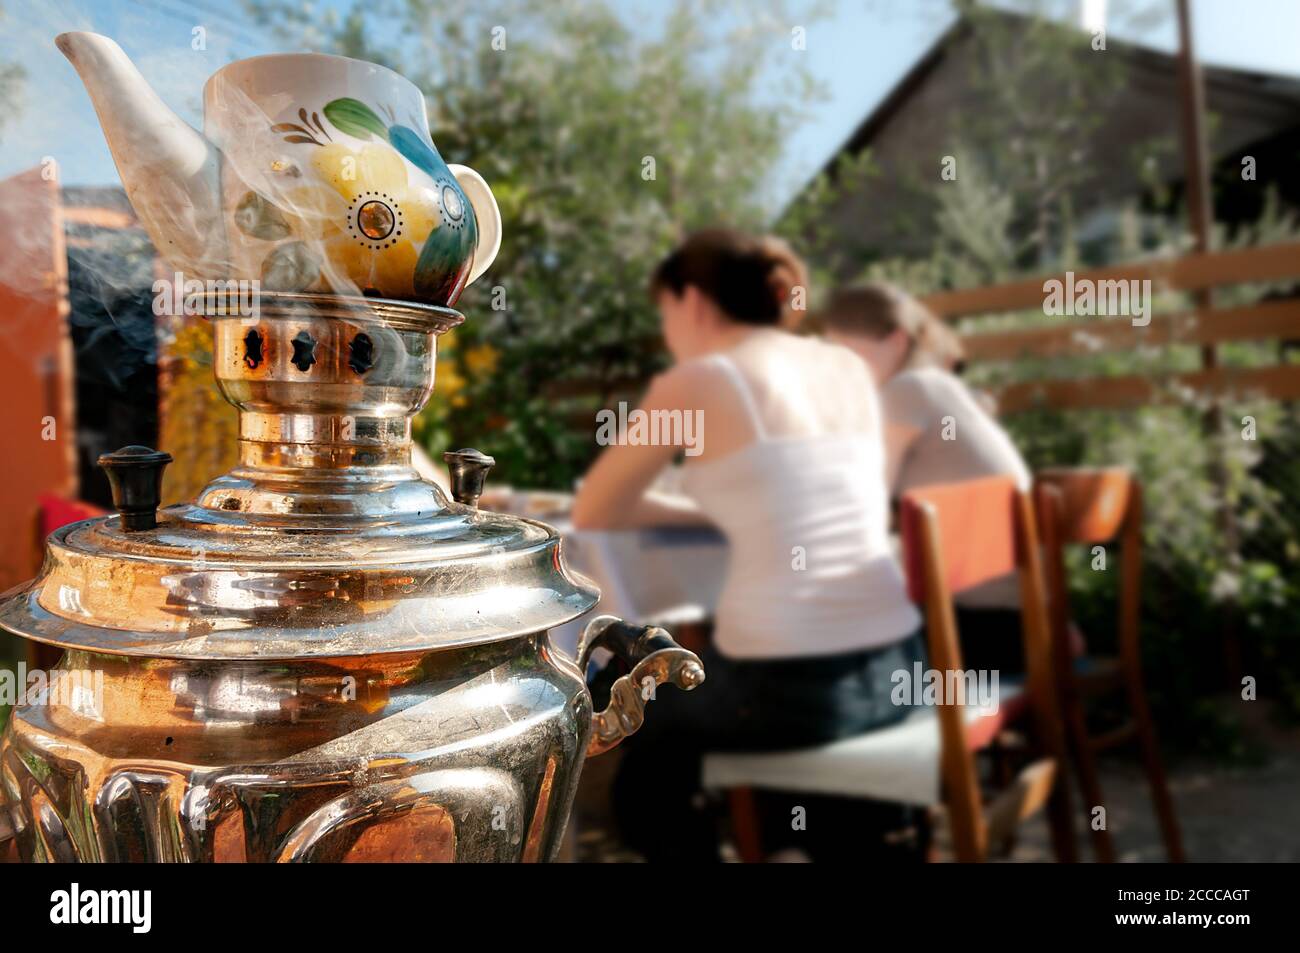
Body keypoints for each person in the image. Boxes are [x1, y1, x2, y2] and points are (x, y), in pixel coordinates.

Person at [572, 231, 925, 862]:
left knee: (648, 771)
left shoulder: (703, 379)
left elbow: (597, 507)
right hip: (901, 665)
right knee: (733, 713)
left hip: (799, 691)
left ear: (694, 302)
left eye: (666, 312)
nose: (667, 330)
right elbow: (797, 498)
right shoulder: (843, 367)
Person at [819, 283, 1032, 673]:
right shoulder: (942, 388)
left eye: (851, 356)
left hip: (979, 633)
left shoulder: (906, 391)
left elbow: (863, 503)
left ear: (897, 341)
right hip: (1024, 625)